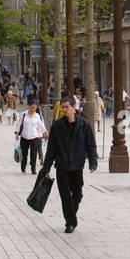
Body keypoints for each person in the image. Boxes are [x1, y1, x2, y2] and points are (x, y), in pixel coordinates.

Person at [38, 97, 98, 234]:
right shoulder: (57, 126)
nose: (64, 110)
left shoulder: (84, 125)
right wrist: (46, 167)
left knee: (77, 194)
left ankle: (71, 214)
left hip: (77, 166)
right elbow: (51, 148)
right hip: (62, 166)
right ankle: (70, 222)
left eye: (66, 107)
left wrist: (93, 162)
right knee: (65, 195)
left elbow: (91, 145)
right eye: (62, 107)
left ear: (73, 107)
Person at [16, 101, 48, 173]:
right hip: (24, 136)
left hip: (34, 136)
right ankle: (23, 166)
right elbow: (19, 124)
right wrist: (17, 134)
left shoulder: (37, 116)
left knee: (33, 154)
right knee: (24, 154)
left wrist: (45, 132)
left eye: (35, 108)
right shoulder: (24, 114)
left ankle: (33, 169)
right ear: (29, 107)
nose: (33, 109)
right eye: (32, 108)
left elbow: (41, 125)